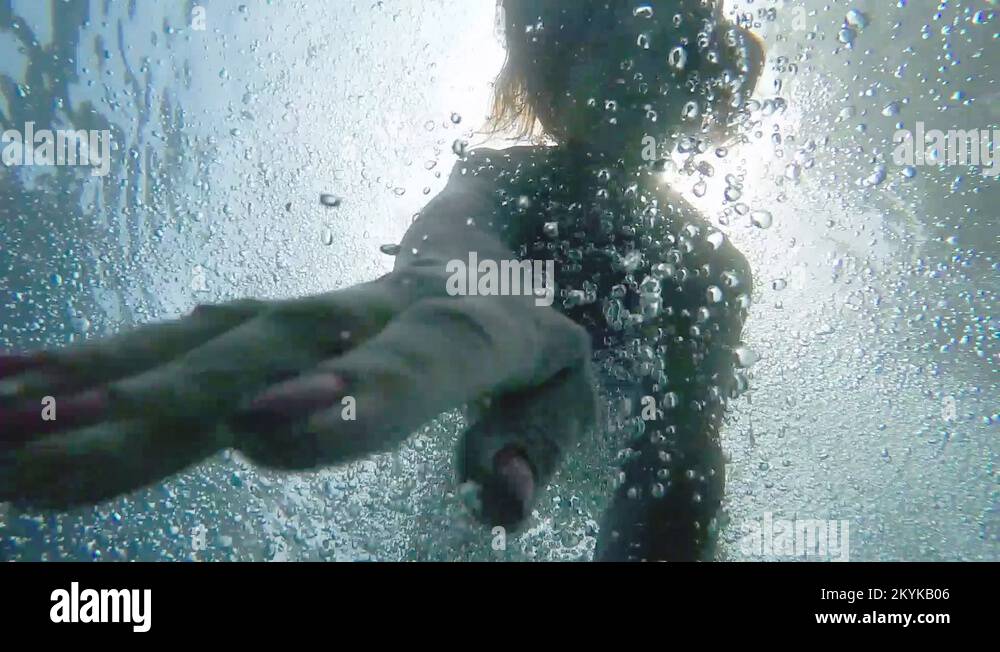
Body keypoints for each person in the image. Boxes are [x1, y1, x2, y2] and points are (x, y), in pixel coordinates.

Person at [0, 0, 763, 561]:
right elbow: (459, 229)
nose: (630, 43)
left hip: (554, 450)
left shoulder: (714, 271)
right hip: (459, 436)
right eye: (592, 24)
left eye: (648, 13)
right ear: (549, 73)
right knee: (464, 525)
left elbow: (679, 466)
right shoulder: (514, 184)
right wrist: (455, 292)